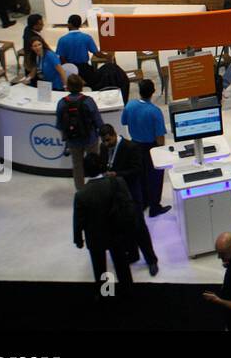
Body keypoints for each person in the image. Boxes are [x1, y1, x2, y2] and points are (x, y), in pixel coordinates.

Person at [73, 152, 142, 293]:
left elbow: (79, 220)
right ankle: (128, 294)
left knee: (101, 270)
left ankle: (106, 295)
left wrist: (78, 239)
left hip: (95, 238)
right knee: (122, 266)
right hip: (117, 233)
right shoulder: (117, 182)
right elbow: (129, 206)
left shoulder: (81, 194)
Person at [97, 124, 160, 275]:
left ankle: (151, 260)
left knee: (139, 228)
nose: (106, 144)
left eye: (108, 140)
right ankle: (132, 254)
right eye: (104, 141)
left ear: (114, 134)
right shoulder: (104, 148)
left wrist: (117, 174)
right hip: (115, 195)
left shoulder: (131, 147)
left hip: (132, 195)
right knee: (123, 228)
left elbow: (137, 170)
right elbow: (103, 163)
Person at [121, 79, 171, 217]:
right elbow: (160, 136)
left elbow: (124, 121)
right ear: (153, 92)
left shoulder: (130, 105)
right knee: (155, 177)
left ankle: (142, 203)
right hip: (151, 148)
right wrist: (162, 151)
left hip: (134, 146)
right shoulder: (155, 112)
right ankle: (155, 206)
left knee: (140, 176)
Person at [56, 74, 103, 190]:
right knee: (94, 163)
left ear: (68, 87)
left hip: (72, 140)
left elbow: (60, 125)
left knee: (77, 166)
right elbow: (98, 121)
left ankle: (80, 191)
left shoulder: (62, 103)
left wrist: (66, 139)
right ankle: (97, 189)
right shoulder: (88, 101)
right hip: (90, 138)